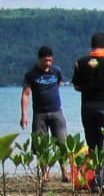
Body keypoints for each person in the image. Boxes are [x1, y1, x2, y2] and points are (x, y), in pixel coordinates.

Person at [71, 32, 104, 192]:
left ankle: (94, 180)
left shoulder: (80, 63)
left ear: (91, 46)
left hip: (87, 108)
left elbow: (76, 86)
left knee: (93, 145)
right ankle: (102, 181)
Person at [20, 46, 69, 180]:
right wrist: (24, 115)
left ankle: (65, 172)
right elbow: (25, 94)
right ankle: (44, 173)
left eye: (50, 60)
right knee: (40, 145)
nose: (48, 63)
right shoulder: (31, 74)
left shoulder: (56, 71)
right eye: (45, 61)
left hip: (56, 111)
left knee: (62, 142)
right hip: (39, 114)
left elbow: (58, 85)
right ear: (39, 59)